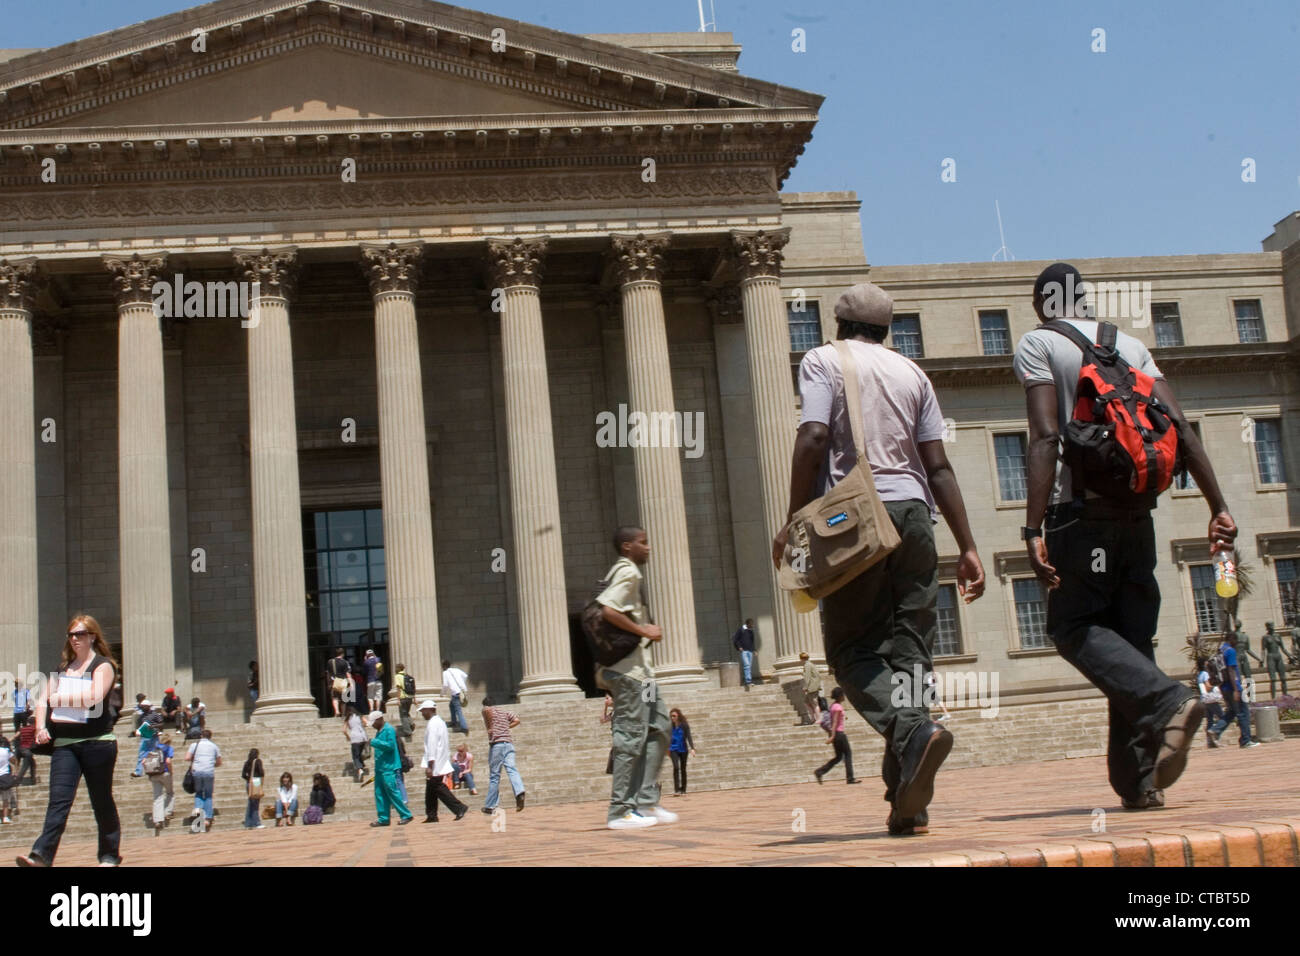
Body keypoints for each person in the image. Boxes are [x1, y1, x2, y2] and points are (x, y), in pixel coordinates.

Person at [1014, 262, 1240, 812]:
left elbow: (1045, 437)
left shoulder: (1039, 344)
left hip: (1080, 513)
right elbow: (1182, 428)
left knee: (1072, 626)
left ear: (1044, 303)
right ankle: (1140, 783)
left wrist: (1032, 526)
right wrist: (1219, 507)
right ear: (1084, 299)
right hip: (1139, 513)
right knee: (1130, 645)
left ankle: (1167, 702)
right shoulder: (1132, 346)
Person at [777, 281, 986, 837]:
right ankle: (908, 803)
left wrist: (795, 519)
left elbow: (814, 437)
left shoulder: (823, 360)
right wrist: (967, 545)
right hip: (917, 515)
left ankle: (911, 731)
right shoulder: (913, 373)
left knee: (852, 653)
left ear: (838, 325)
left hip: (857, 519)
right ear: (886, 329)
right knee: (910, 649)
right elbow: (937, 466)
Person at [17, 613, 123, 867]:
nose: (75, 638)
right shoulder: (62, 669)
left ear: (92, 637)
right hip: (65, 745)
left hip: (98, 742)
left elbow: (93, 697)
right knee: (58, 802)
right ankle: (41, 855)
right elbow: (42, 701)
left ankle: (109, 855)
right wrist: (41, 726)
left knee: (101, 800)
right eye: (72, 634)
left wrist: (60, 699)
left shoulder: (103, 666)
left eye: (81, 634)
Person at [595, 526, 676, 831]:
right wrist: (645, 631)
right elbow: (608, 610)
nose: (649, 547)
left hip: (643, 676)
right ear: (627, 547)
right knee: (630, 737)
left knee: (661, 727)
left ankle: (645, 801)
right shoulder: (627, 572)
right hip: (628, 674)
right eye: (644, 543)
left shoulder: (626, 571)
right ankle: (620, 811)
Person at [417, 700, 468, 823]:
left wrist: (430, 764)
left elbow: (432, 744)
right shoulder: (439, 722)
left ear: (430, 710)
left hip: (435, 761)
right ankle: (431, 815)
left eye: (423, 711)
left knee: (438, 787)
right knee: (430, 789)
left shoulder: (433, 724)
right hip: (439, 759)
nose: (422, 713)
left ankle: (459, 807)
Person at [480, 697, 526, 814]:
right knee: (512, 769)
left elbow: (486, 710)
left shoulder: (488, 710)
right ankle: (519, 791)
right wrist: (507, 727)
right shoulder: (504, 712)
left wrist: (490, 727)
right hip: (508, 744)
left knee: (495, 776)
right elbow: (517, 720)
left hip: (497, 745)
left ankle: (491, 805)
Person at [366, 711, 413, 827]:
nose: (372, 725)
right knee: (379, 793)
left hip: (389, 767)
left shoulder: (389, 730)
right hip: (380, 767)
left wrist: (374, 742)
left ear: (379, 719)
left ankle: (406, 814)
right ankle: (383, 818)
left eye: (373, 723)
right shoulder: (379, 731)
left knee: (392, 792)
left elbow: (390, 746)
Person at [1219, 632, 1260, 749]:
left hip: (1224, 687)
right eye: (1235, 640)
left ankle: (1215, 730)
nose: (1237, 642)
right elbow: (1231, 670)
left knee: (1232, 712)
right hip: (1233, 687)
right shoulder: (1230, 651)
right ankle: (1246, 740)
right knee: (1244, 712)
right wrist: (1236, 689)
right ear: (1231, 639)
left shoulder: (1221, 650)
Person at [813, 687, 859, 786]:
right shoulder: (838, 707)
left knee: (838, 757)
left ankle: (820, 772)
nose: (844, 696)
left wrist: (831, 734)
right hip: (839, 734)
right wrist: (833, 735)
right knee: (848, 754)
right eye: (843, 694)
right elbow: (834, 722)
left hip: (836, 734)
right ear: (840, 696)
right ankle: (850, 778)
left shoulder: (833, 706)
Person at [186, 728, 222, 833]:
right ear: (210, 737)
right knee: (208, 794)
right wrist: (212, 764)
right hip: (208, 771)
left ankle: (198, 809)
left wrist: (195, 760)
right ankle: (207, 819)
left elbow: (187, 757)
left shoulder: (194, 745)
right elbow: (219, 762)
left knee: (198, 793)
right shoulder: (214, 746)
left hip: (197, 771)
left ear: (201, 735)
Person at [1196, 660, 1230, 749]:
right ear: (1204, 664)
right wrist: (1217, 684)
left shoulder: (1199, 675)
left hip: (1204, 700)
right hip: (1211, 699)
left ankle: (1210, 742)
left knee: (1210, 720)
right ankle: (1215, 736)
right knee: (1223, 717)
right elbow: (1207, 686)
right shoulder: (1205, 674)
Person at [149, 733, 175, 835]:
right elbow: (168, 761)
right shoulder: (168, 748)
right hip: (165, 773)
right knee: (170, 792)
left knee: (157, 797)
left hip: (154, 774)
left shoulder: (153, 748)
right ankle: (167, 812)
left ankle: (157, 820)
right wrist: (171, 771)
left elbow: (143, 761)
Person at [131, 699, 162, 777]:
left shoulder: (155, 714)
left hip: (154, 736)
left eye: (144, 706)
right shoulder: (141, 716)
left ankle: (154, 769)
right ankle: (138, 772)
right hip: (144, 738)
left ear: (148, 706)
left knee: (154, 754)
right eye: (142, 707)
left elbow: (161, 723)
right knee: (141, 754)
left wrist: (153, 726)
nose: (142, 708)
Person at [668, 709, 696, 796]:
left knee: (683, 769)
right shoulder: (669, 726)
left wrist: (692, 748)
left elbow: (688, 736)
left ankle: (683, 789)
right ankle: (677, 790)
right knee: (676, 767)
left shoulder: (684, 725)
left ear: (678, 716)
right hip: (673, 749)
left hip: (683, 749)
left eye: (674, 716)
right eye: (671, 716)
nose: (672, 718)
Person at [1261, 622, 1291, 700]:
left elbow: (1283, 648)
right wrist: (1262, 660)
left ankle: (1285, 696)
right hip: (1270, 657)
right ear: (1267, 627)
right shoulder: (1265, 637)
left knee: (1283, 678)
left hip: (1278, 656)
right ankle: (1273, 698)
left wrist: (1290, 656)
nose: (1272, 627)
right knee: (1273, 679)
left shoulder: (1278, 636)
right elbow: (1263, 650)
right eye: (1270, 625)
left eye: (1273, 625)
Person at [441, 659, 470, 734]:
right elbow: (465, 676)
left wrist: (442, 693)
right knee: (451, 705)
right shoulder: (456, 670)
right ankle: (453, 721)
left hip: (456, 693)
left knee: (458, 711)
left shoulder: (445, 672)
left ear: (444, 666)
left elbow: (445, 685)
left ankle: (464, 727)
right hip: (462, 691)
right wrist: (461, 684)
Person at [344, 705, 369, 783]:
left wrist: (347, 736)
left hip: (354, 738)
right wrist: (362, 725)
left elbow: (344, 730)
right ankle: (362, 766)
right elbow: (366, 723)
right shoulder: (359, 716)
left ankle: (360, 769)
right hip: (363, 736)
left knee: (355, 756)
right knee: (360, 753)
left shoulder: (347, 719)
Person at [732, 618, 759, 689]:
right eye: (751, 624)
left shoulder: (751, 632)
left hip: (750, 651)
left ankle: (747, 681)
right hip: (743, 651)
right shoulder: (741, 630)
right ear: (748, 624)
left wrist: (754, 650)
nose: (753, 625)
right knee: (746, 665)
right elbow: (735, 639)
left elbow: (752, 642)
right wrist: (739, 647)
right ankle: (748, 681)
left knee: (748, 666)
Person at [241, 748, 265, 829]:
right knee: (255, 803)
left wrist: (249, 779)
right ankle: (256, 822)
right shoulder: (258, 761)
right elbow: (261, 772)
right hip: (256, 781)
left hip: (249, 783)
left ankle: (248, 823)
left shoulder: (247, 763)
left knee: (250, 802)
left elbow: (243, 774)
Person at [326, 647, 350, 717]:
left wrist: (328, 683)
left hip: (334, 682)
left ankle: (337, 711)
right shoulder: (345, 662)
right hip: (343, 683)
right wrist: (350, 683)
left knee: (335, 698)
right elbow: (347, 673)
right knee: (343, 700)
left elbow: (328, 673)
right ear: (342, 654)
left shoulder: (330, 661)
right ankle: (343, 714)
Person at [800, 652, 822, 725]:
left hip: (812, 687)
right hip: (813, 686)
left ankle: (819, 719)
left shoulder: (807, 665)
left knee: (814, 703)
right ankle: (813, 718)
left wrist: (805, 687)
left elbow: (807, 677)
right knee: (806, 702)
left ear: (801, 659)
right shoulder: (810, 664)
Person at [0, 735, 17, 823]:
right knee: (5, 798)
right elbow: (14, 760)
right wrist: (15, 770)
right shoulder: (6, 751)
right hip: (4, 776)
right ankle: (5, 817)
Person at [394, 662, 414, 739]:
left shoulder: (397, 676)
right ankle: (411, 723)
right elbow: (413, 688)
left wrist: (398, 699)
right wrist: (414, 699)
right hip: (410, 697)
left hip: (403, 697)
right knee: (406, 712)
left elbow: (398, 688)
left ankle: (408, 731)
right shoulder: (408, 676)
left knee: (403, 715)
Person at [15, 719, 37, 786]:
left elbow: (16, 736)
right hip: (27, 750)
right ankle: (17, 781)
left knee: (33, 764)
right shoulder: (33, 729)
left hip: (20, 748)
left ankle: (33, 779)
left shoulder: (22, 729)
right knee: (25, 766)